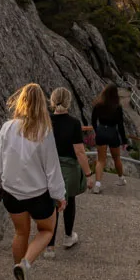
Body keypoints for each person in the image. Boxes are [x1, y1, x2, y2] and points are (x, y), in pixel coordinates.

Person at [0, 83, 66, 280]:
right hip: (38, 195)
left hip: (11, 192)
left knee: (20, 232)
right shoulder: (44, 131)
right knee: (46, 230)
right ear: (42, 104)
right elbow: (52, 167)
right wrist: (60, 196)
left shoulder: (7, 127)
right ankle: (26, 264)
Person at [45, 87, 94, 259]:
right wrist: (88, 175)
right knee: (69, 200)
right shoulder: (74, 123)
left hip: (50, 167)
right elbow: (80, 152)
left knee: (52, 204)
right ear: (68, 102)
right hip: (69, 167)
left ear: (52, 101)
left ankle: (49, 246)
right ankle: (68, 237)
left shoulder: (46, 121)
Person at [91, 82, 129, 193]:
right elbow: (120, 125)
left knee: (101, 160)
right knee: (116, 158)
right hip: (113, 133)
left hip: (101, 131)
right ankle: (121, 178)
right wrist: (124, 141)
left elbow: (93, 121)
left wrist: (97, 131)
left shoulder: (98, 105)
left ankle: (97, 185)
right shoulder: (117, 107)